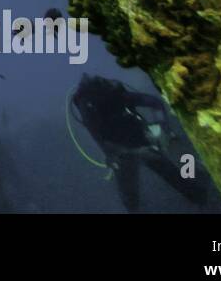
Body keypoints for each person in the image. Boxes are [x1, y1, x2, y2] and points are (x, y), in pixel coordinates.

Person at [69, 74, 210, 211]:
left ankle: (199, 197)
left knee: (131, 192)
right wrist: (161, 128)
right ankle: (200, 198)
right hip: (130, 147)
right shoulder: (113, 97)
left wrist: (163, 130)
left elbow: (99, 138)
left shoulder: (91, 105)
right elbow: (155, 103)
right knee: (163, 175)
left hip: (127, 149)